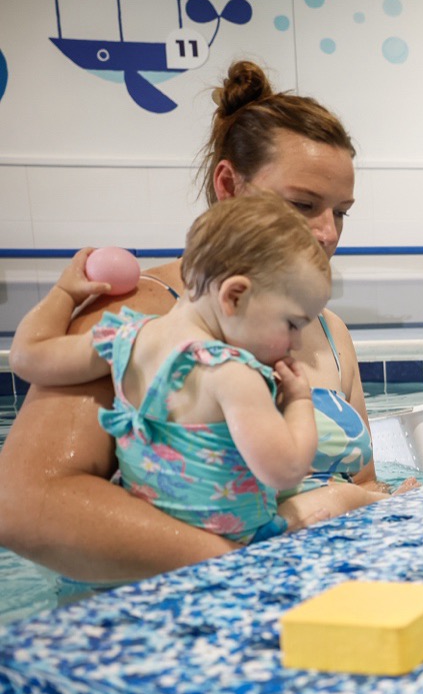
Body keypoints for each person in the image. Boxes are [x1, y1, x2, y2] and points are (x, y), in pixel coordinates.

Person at [0, 59, 396, 581]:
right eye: (303, 204)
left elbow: (363, 481)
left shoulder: (327, 331)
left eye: (340, 211)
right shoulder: (136, 315)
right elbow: (25, 506)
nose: (327, 233)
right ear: (229, 185)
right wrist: (254, 555)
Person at [10, 194, 341, 543]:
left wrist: (65, 292)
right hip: (237, 554)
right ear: (235, 297)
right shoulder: (232, 374)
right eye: (292, 323)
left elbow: (28, 356)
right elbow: (285, 471)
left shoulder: (124, 341)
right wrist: (299, 401)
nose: (298, 343)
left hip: (155, 550)